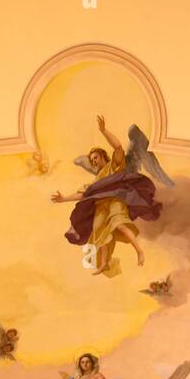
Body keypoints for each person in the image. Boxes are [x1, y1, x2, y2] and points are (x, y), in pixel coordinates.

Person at [50, 115, 161, 276]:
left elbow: (118, 148)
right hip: (100, 206)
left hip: (115, 200)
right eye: (91, 160)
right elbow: (83, 194)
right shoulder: (96, 180)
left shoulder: (113, 166)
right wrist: (63, 199)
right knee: (99, 234)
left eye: (95, 158)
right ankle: (103, 264)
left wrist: (103, 131)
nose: (94, 161)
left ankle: (139, 251)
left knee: (119, 224)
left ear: (102, 156)